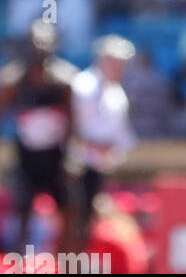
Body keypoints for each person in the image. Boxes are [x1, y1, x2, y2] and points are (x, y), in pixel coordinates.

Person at [0, 20, 77, 252]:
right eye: (35, 42)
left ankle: (63, 259)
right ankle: (17, 260)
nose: (39, 48)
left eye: (45, 43)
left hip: (56, 156)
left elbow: (74, 122)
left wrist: (73, 157)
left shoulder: (65, 80)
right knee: (22, 207)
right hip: (27, 155)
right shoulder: (13, 80)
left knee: (67, 208)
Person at [66, 35, 137, 250]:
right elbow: (70, 126)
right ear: (102, 59)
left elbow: (123, 138)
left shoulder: (117, 95)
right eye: (116, 62)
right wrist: (93, 145)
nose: (120, 67)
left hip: (99, 168)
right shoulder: (81, 86)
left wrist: (110, 150)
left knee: (89, 221)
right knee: (72, 219)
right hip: (73, 167)